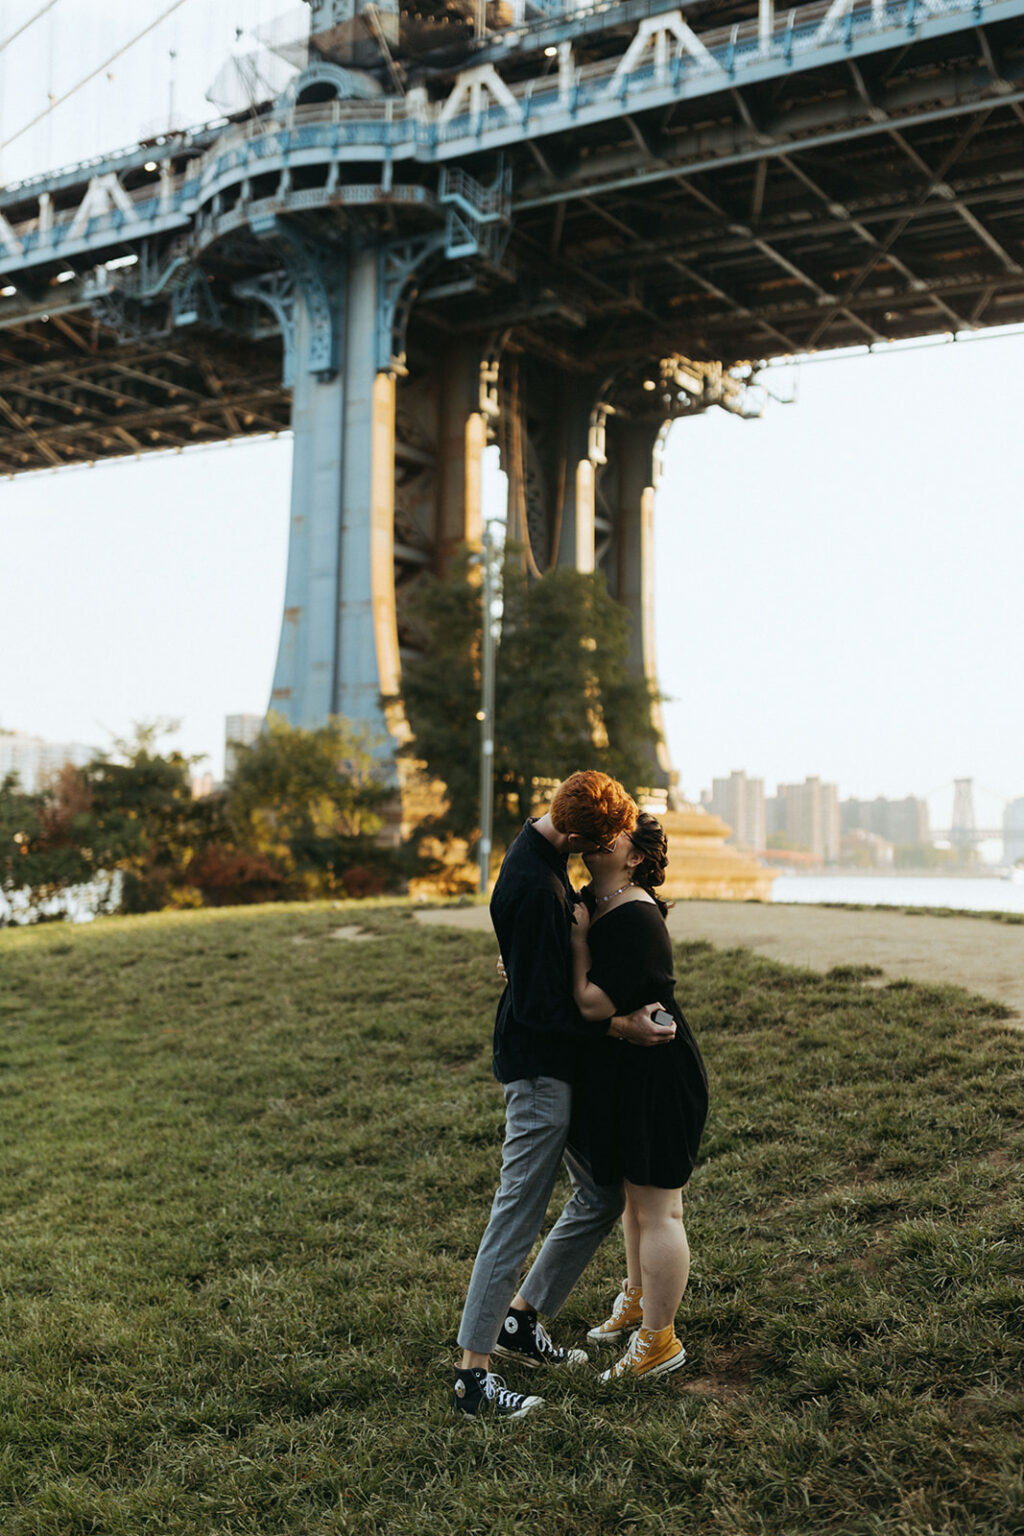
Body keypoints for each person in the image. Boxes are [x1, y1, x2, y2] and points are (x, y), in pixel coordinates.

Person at [452, 771, 677, 1421]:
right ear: (575, 833)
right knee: (515, 1215)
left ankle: (521, 1322)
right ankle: (473, 1377)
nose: (606, 850)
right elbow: (544, 1008)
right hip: (539, 1072)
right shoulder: (535, 889)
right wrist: (621, 1025)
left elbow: (531, 973)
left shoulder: (538, 851)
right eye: (601, 840)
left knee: (601, 1193)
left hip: (561, 1065)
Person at [568, 810, 709, 1383]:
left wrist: (576, 942)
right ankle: (637, 1299)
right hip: (626, 1070)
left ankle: (659, 1340)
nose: (604, 832)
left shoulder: (636, 916)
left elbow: (590, 1005)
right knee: (635, 1204)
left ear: (634, 857)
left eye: (618, 830)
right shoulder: (596, 900)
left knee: (659, 1209)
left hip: (657, 1072)